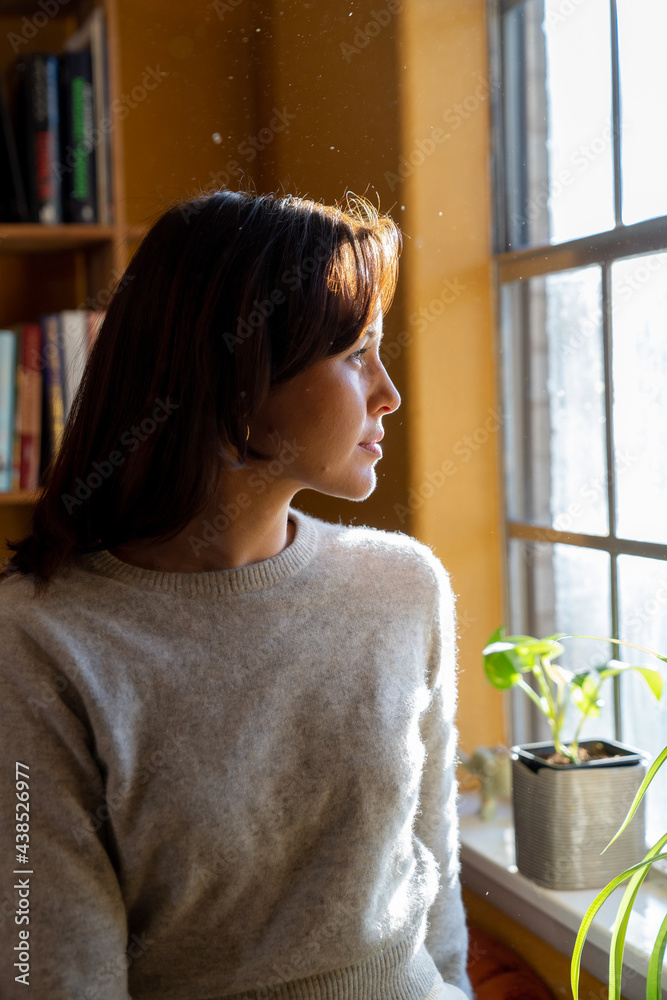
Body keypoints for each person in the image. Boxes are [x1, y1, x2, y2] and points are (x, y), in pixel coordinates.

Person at [0, 189, 472, 1000]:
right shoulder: (39, 639)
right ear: (235, 373)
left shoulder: (403, 586)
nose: (388, 393)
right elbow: (50, 967)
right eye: (357, 353)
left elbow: (433, 873)